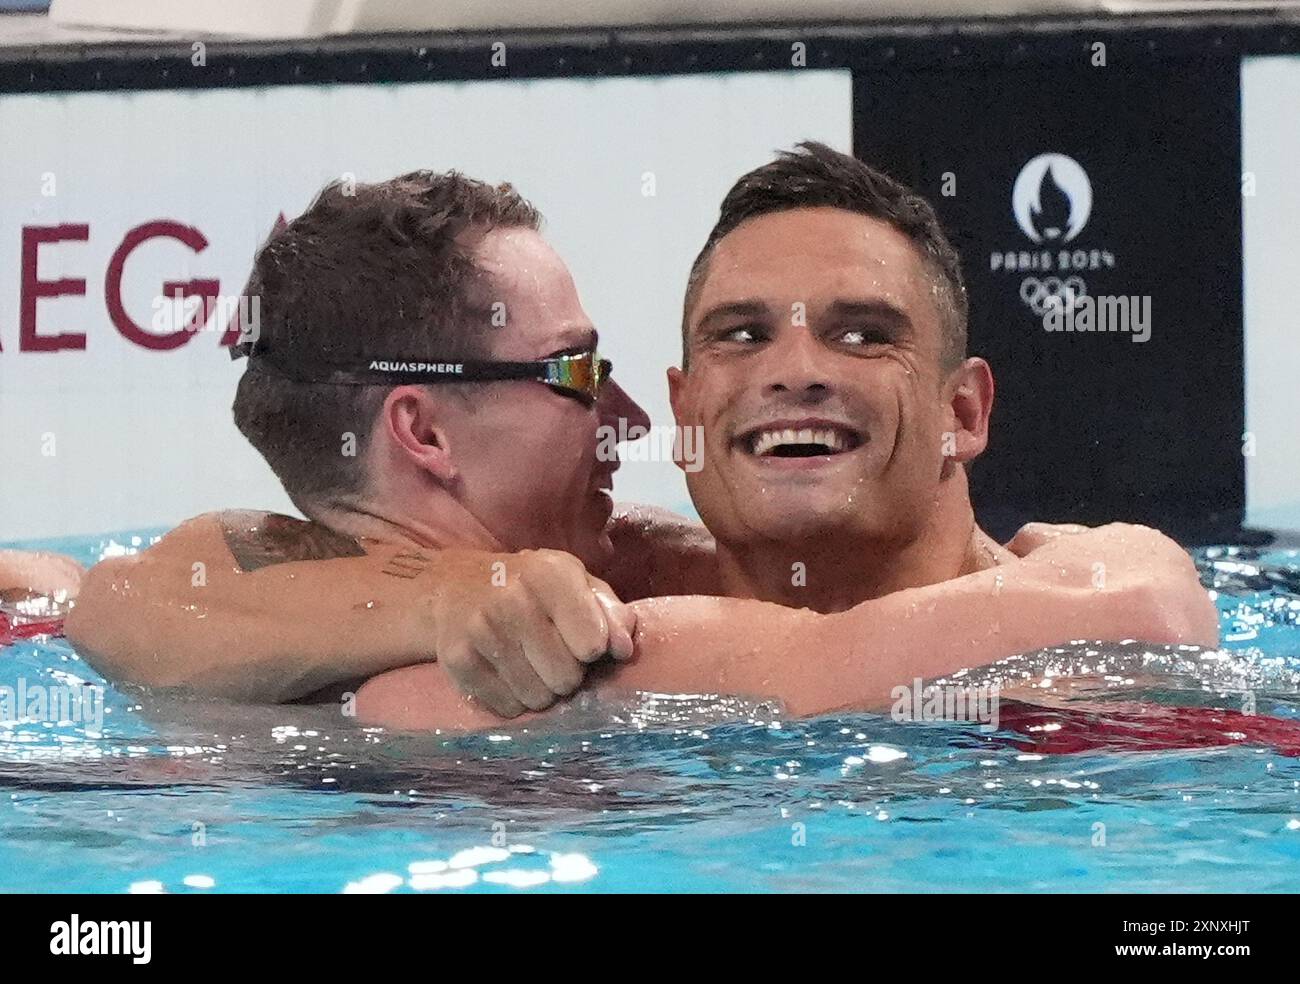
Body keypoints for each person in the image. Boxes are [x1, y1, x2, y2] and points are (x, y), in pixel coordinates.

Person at [65, 148, 1217, 728]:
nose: (797, 366)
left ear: (965, 410)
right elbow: (118, 602)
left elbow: (95, 600)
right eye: (740, 334)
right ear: (689, 404)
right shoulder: (597, 635)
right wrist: (458, 596)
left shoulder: (615, 574)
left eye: (862, 334)